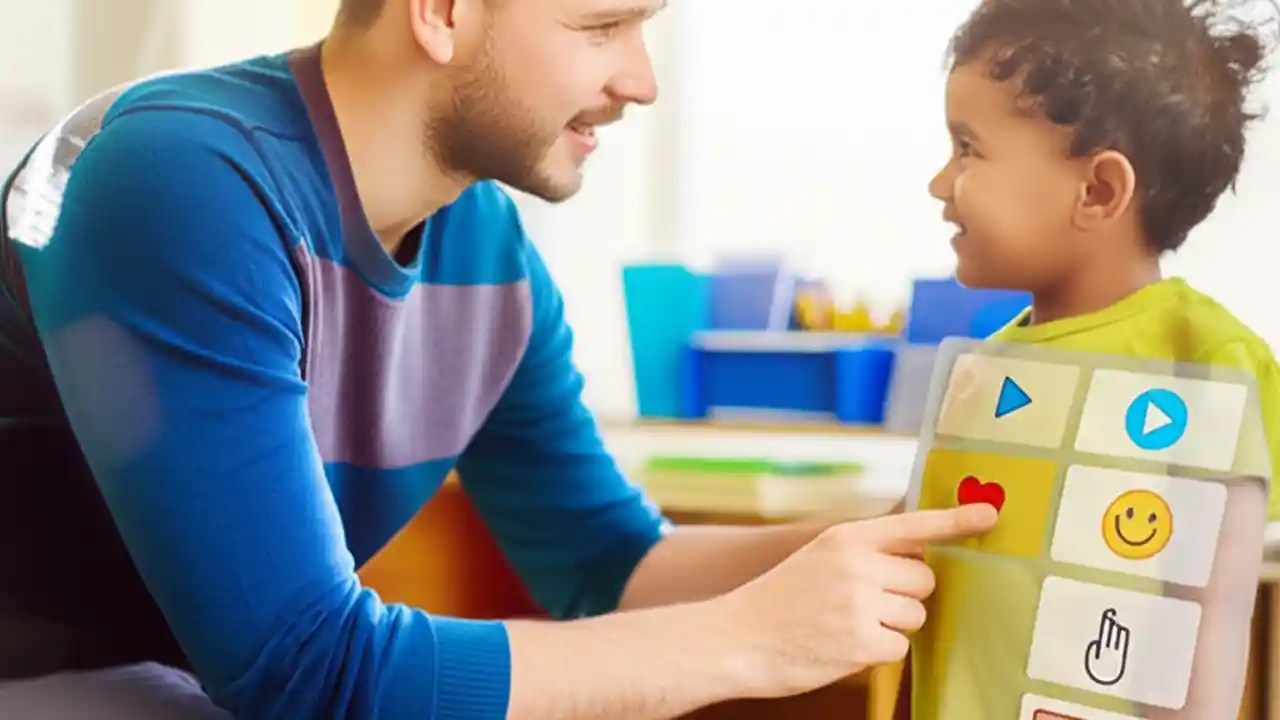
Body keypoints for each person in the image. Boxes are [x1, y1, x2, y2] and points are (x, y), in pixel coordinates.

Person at [0, 0, 998, 717]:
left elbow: (609, 564)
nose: (639, 80)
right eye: (600, 27)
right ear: (439, 11)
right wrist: (747, 640)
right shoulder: (182, 173)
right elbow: (306, 675)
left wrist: (904, 544)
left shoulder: (489, 257)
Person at [908, 0, 1280, 717]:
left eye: (968, 149)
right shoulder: (983, 368)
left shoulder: (1207, 358)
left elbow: (1211, 618)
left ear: (1099, 191)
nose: (939, 183)